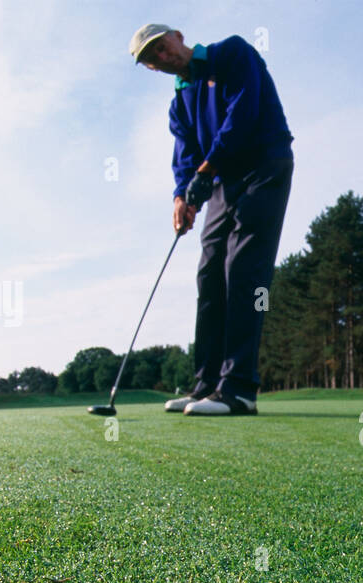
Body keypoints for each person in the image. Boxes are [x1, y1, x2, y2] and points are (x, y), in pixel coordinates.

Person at [128, 24, 294, 416]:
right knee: (209, 275)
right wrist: (181, 197)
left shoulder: (231, 54)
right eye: (152, 59)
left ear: (178, 36)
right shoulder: (180, 103)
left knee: (244, 270)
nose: (161, 58)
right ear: (151, 69)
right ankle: (207, 386)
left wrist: (204, 173)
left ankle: (239, 389)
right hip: (221, 180)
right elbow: (185, 155)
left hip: (263, 166)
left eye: (160, 47)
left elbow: (242, 114)